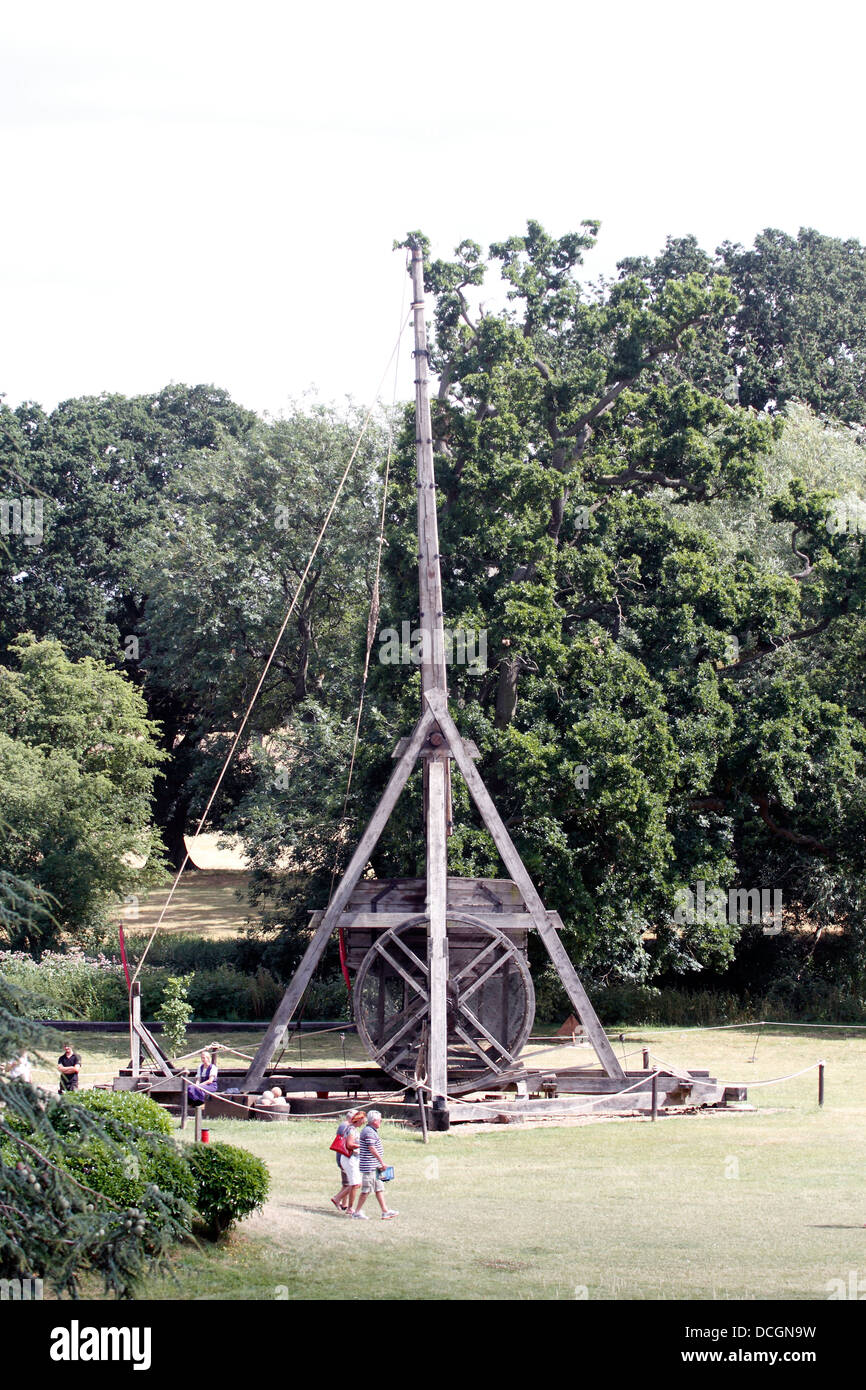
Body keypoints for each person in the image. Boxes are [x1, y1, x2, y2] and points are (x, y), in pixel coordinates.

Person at [352, 1110, 398, 1220]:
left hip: (375, 1165)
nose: (381, 1122)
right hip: (369, 1166)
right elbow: (372, 1148)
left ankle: (385, 1211)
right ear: (374, 1121)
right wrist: (382, 1162)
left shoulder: (372, 1130)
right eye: (379, 1120)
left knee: (379, 1188)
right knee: (366, 1190)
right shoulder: (369, 1131)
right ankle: (356, 1212)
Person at [333, 1108, 365, 1216]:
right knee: (355, 1184)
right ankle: (350, 1208)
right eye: (362, 1120)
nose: (363, 1122)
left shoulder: (353, 1129)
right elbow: (349, 1145)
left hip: (352, 1158)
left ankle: (338, 1198)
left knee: (357, 1183)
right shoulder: (351, 1129)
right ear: (358, 1120)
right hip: (349, 1158)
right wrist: (362, 1146)